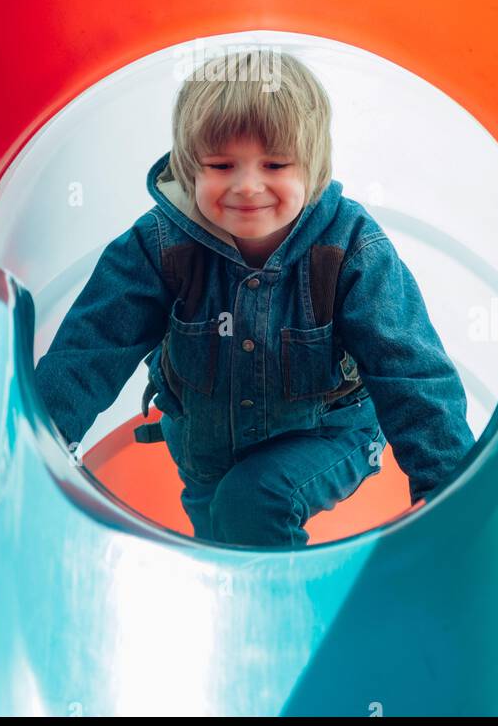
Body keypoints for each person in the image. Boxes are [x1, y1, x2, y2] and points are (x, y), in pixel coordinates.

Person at [34, 49, 474, 547]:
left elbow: (409, 369)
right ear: (189, 168)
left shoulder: (349, 249)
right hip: (203, 447)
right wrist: (31, 452)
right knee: (220, 539)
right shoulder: (159, 247)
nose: (247, 186)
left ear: (311, 166)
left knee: (254, 500)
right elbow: (90, 350)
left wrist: (450, 495)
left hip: (331, 434)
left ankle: (288, 621)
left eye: (275, 164)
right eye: (222, 165)